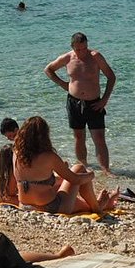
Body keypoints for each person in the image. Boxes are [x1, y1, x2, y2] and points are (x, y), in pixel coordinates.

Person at [11, 115, 116, 215]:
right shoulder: (49, 156)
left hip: (25, 206)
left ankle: (98, 204)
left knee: (59, 182)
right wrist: (91, 175)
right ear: (44, 136)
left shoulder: (16, 153)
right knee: (79, 168)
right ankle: (97, 208)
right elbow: (76, 180)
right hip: (51, 207)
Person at [45, 31, 116, 174]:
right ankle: (83, 166)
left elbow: (111, 77)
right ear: (72, 47)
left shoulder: (95, 56)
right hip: (74, 102)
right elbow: (48, 69)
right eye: (78, 49)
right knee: (78, 136)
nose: (82, 52)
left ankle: (106, 170)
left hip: (94, 103)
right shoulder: (67, 58)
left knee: (99, 138)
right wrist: (63, 84)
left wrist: (104, 99)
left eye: (84, 48)